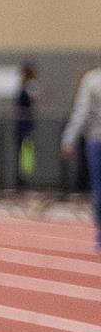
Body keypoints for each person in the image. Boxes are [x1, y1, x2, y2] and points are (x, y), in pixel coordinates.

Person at [61, 61, 101, 250]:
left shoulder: (92, 80)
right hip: (95, 139)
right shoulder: (92, 80)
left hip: (96, 140)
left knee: (98, 186)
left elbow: (82, 112)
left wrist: (69, 139)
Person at [9, 63, 37, 194]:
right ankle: (21, 182)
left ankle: (23, 180)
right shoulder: (24, 91)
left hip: (26, 127)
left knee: (27, 156)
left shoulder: (28, 89)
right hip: (23, 128)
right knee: (24, 155)